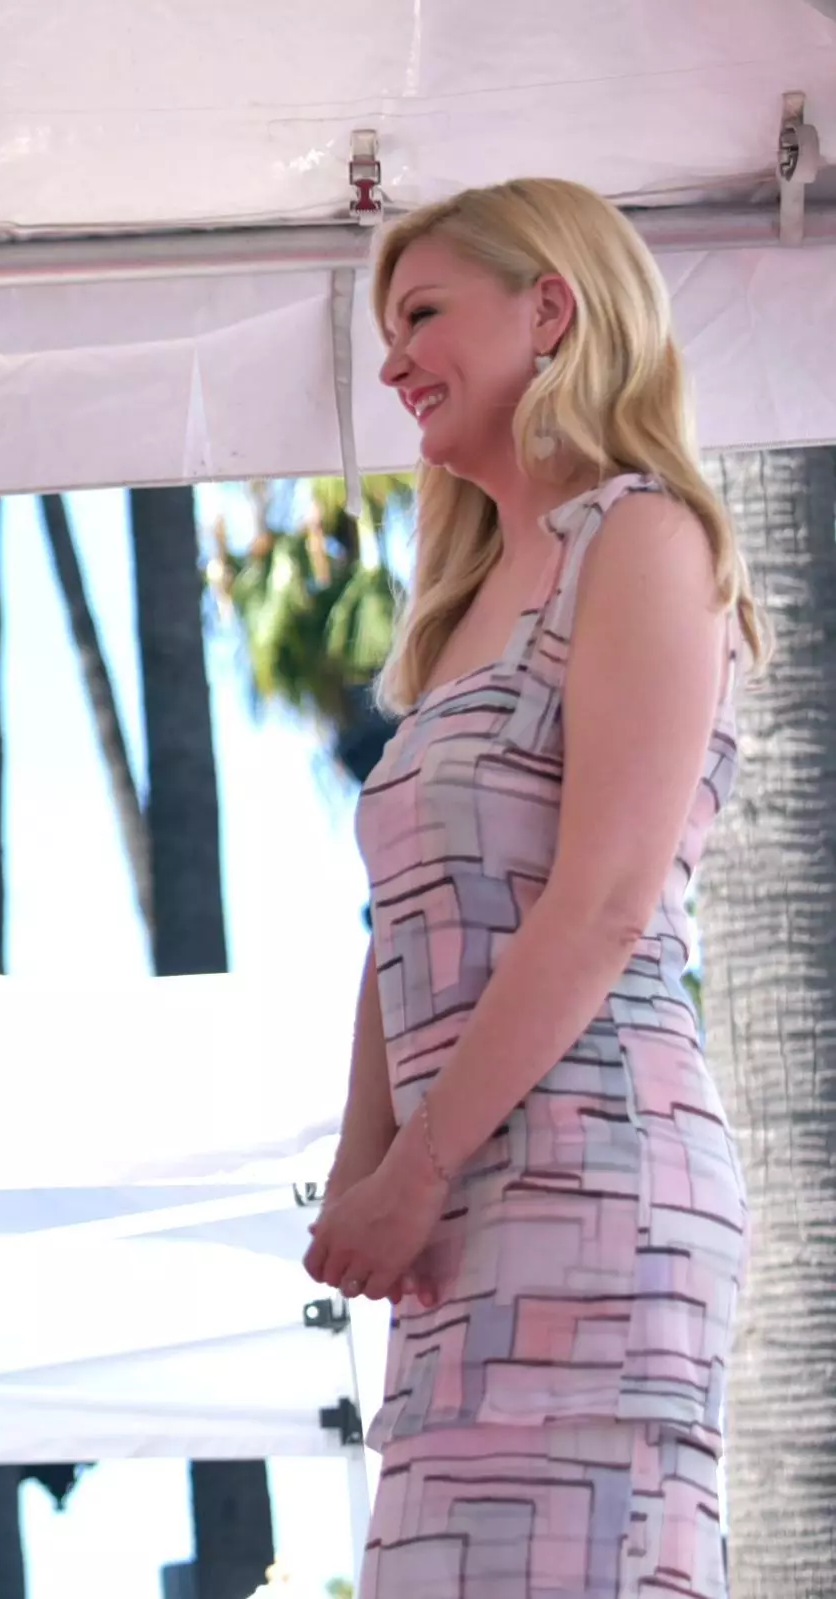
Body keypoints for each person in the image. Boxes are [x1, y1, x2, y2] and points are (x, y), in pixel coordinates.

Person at [302, 177, 761, 1597]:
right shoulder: (458, 611)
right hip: (462, 1198)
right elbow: (400, 932)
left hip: (592, 1182)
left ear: (548, 309)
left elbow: (607, 899)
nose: (389, 362)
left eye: (422, 313)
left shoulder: (643, 535)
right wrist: (363, 1176)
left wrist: (410, 1170)